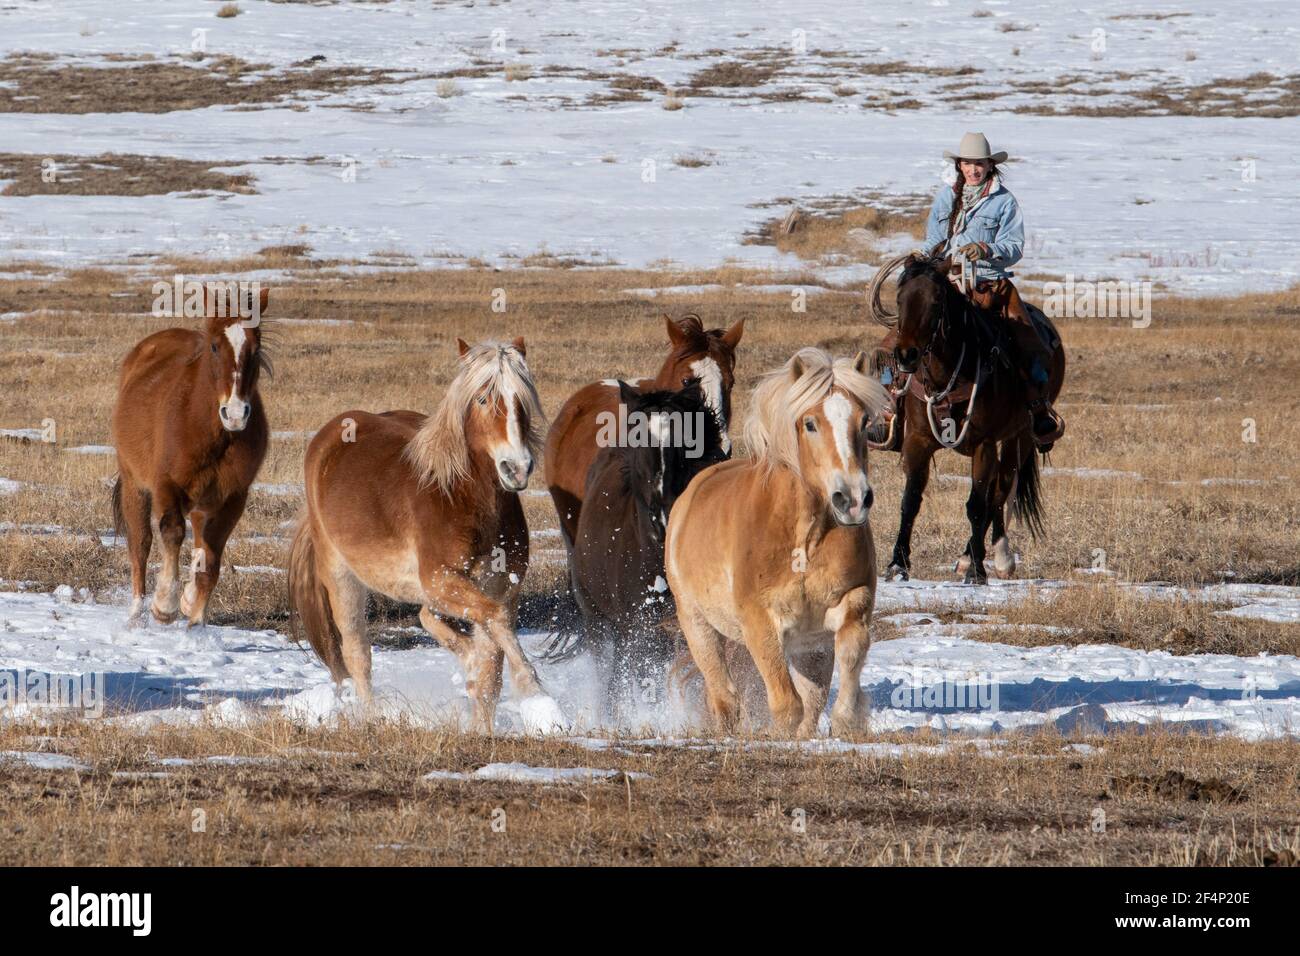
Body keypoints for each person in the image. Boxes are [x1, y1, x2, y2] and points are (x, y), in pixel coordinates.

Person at [923, 132, 1063, 446]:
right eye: (968, 163)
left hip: (991, 284)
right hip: (950, 283)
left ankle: (1039, 410)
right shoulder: (946, 198)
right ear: (959, 165)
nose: (974, 169)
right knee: (909, 332)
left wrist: (986, 248)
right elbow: (931, 241)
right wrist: (930, 259)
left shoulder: (1004, 201)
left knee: (1028, 340)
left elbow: (1014, 246)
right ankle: (894, 401)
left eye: (980, 163)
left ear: (990, 165)